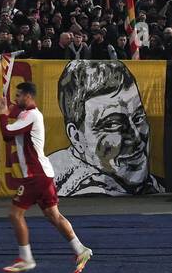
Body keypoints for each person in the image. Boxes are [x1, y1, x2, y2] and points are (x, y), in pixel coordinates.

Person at [0, 81, 94, 273]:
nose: (16, 99)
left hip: (35, 176)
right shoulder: (27, 114)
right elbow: (9, 134)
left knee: (15, 215)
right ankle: (81, 250)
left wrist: (2, 114)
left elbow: (6, 132)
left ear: (28, 97)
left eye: (18, 96)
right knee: (54, 215)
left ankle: (26, 258)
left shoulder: (31, 115)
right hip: (44, 175)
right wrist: (5, 109)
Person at [49, 60, 165, 196]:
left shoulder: (155, 185)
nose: (136, 137)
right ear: (76, 137)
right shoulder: (83, 188)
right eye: (113, 125)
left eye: (138, 118)